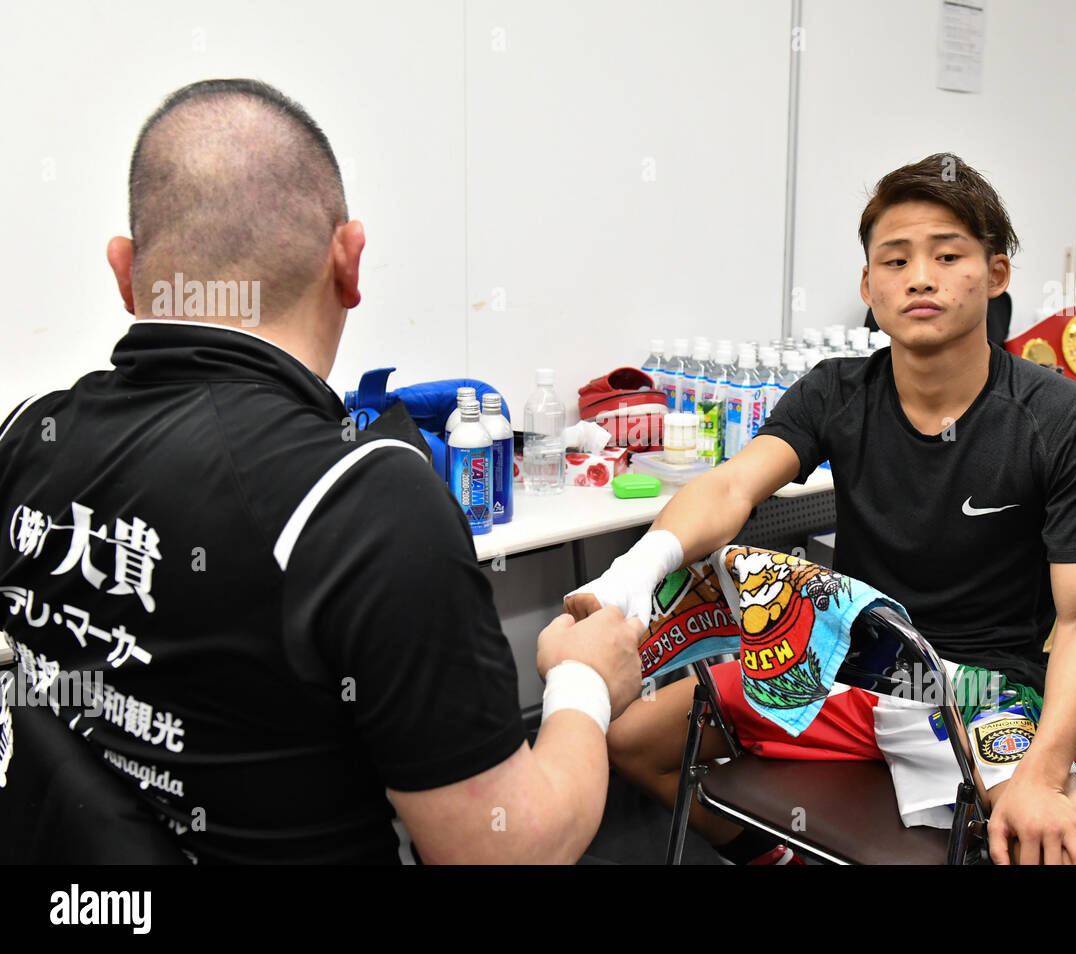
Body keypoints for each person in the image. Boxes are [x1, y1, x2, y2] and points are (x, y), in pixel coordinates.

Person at [0, 79, 643, 864]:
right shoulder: (364, 501)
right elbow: (510, 852)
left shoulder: (28, 434)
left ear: (127, 272)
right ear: (349, 262)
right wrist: (582, 686)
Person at [567, 153, 1076, 866]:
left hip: (984, 683)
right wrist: (640, 567)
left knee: (1060, 841)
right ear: (869, 285)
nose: (918, 277)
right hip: (844, 663)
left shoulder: (1062, 418)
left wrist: (1044, 776)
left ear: (996, 273)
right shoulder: (836, 391)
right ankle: (779, 861)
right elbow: (733, 486)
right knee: (633, 742)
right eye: (894, 261)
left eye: (947, 254)